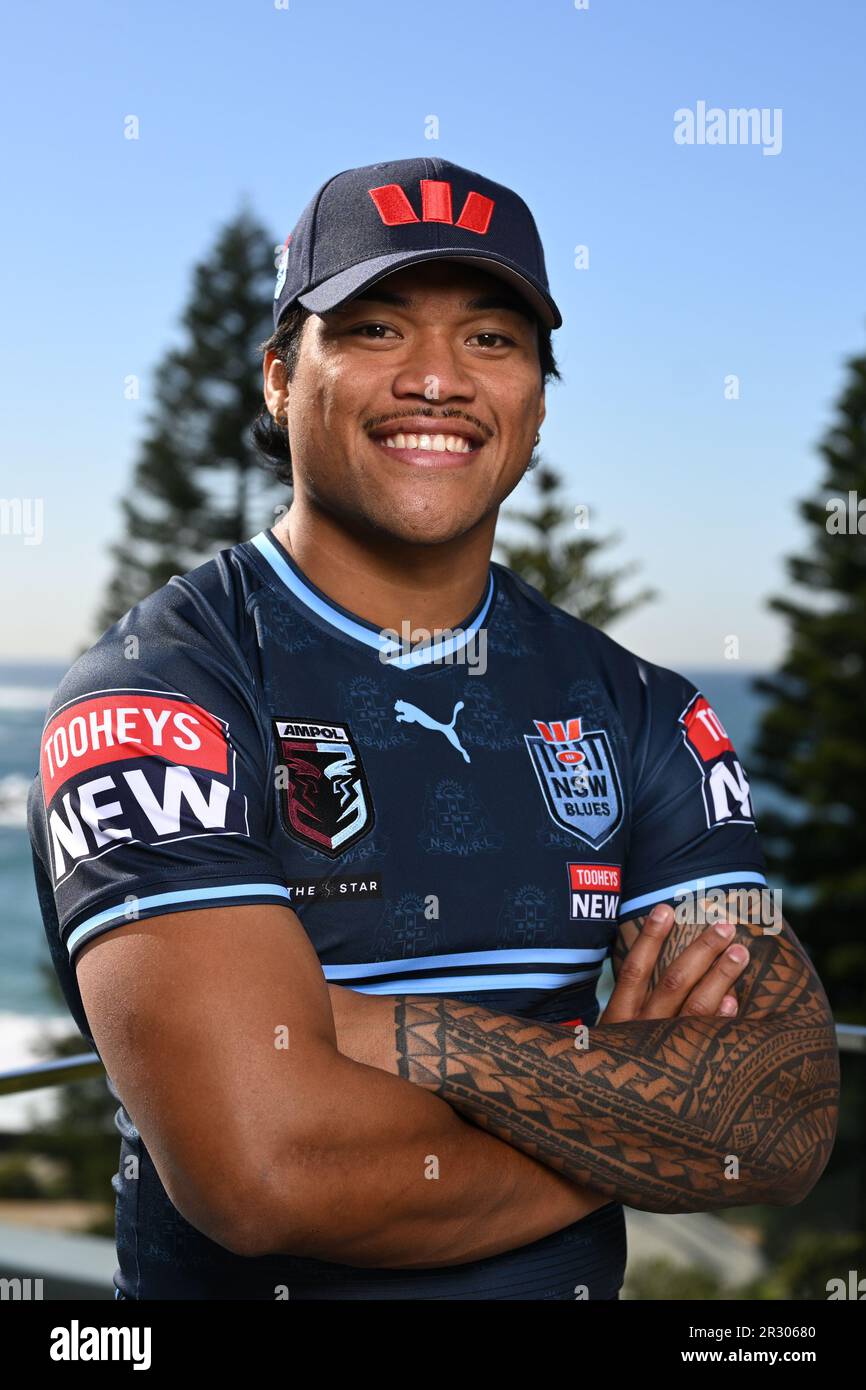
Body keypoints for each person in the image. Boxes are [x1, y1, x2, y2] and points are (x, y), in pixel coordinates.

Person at [27, 157, 838, 1300]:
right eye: (371, 327)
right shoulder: (156, 699)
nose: (435, 379)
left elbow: (778, 1114)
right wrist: (638, 1119)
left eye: (492, 340)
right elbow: (266, 1174)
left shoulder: (641, 706)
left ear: (538, 401)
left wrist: (364, 1028)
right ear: (276, 376)